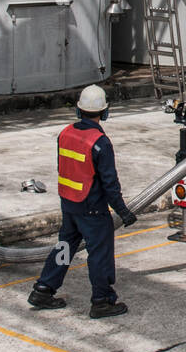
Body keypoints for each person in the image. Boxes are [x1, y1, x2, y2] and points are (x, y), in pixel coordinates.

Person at [29, 85, 138, 319]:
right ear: (105, 112)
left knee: (64, 247)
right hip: (92, 208)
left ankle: (43, 288)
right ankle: (102, 300)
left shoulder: (65, 133)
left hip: (69, 203)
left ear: (79, 110)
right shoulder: (100, 142)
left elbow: (65, 167)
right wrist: (122, 211)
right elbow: (110, 184)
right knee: (99, 254)